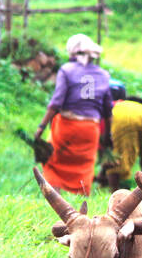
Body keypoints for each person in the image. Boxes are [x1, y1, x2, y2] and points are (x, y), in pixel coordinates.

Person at [36, 33, 114, 195]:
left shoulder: (66, 70)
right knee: (85, 168)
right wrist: (108, 137)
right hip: (90, 130)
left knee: (52, 163)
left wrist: (41, 127)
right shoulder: (104, 75)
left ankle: (53, 200)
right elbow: (108, 112)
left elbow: (56, 102)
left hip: (67, 127)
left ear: (72, 53)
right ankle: (82, 208)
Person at [101, 81, 142, 192]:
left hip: (124, 118)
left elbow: (106, 149)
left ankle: (113, 192)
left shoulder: (114, 108)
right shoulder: (141, 107)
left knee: (114, 159)